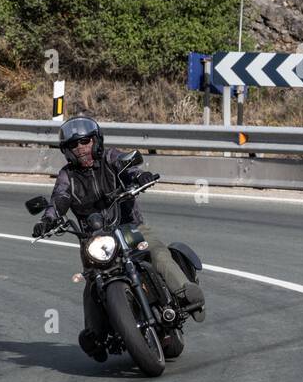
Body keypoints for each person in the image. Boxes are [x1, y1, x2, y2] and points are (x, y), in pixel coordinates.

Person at [33, 115, 205, 362]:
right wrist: (47, 220)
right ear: (67, 150)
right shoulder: (66, 176)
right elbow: (59, 199)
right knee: (92, 284)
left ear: (96, 141)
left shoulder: (110, 157)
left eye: (85, 141)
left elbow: (128, 166)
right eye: (73, 144)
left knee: (157, 252)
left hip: (129, 227)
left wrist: (138, 177)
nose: (80, 148)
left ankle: (184, 291)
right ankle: (95, 334)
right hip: (94, 241)